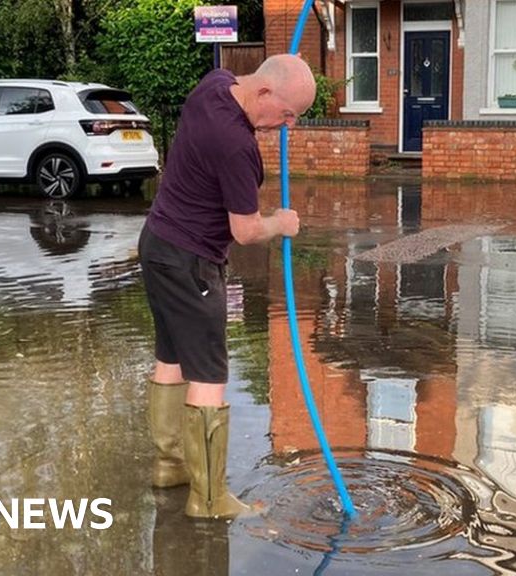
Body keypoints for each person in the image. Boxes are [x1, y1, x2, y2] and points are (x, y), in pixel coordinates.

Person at [138, 54, 316, 520]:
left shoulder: (212, 84)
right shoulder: (237, 147)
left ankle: (169, 465)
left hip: (156, 244)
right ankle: (209, 498)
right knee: (210, 376)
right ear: (262, 93)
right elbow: (244, 230)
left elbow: (237, 91)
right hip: (191, 262)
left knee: (171, 357)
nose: (286, 126)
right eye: (286, 114)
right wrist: (282, 222)